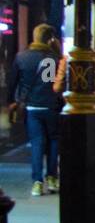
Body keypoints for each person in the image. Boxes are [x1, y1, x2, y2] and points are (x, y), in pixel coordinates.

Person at [6, 23, 65, 195]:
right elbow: (60, 84)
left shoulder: (22, 57)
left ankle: (37, 182)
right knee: (54, 142)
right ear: (50, 39)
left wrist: (11, 101)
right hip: (52, 106)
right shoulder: (56, 59)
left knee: (37, 143)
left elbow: (13, 82)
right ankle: (53, 178)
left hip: (32, 107)